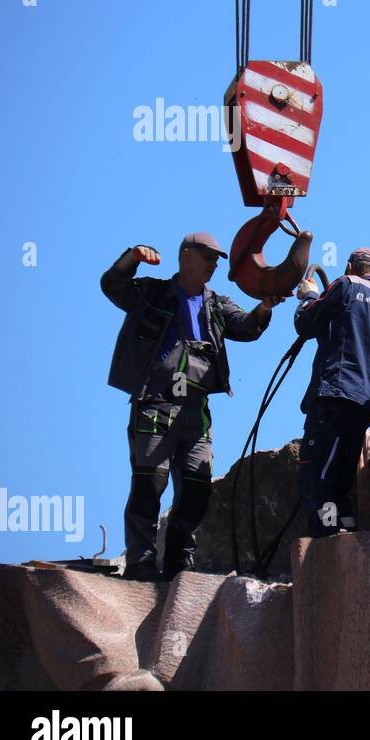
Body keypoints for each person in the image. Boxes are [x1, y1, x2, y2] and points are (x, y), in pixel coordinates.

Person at [101, 233, 281, 582]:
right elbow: (112, 284)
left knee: (197, 488)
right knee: (149, 483)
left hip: (195, 412)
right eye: (208, 257)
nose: (214, 265)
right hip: (156, 404)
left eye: (217, 259)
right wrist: (132, 256)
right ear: (186, 256)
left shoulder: (217, 304)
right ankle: (140, 560)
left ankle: (180, 562)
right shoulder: (152, 293)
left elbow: (246, 328)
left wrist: (265, 307)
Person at [293, 248, 370, 537]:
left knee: (316, 478)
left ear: (351, 266)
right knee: (339, 483)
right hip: (362, 403)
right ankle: (347, 538)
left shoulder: (346, 285)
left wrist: (307, 296)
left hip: (333, 394)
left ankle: (326, 548)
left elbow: (306, 323)